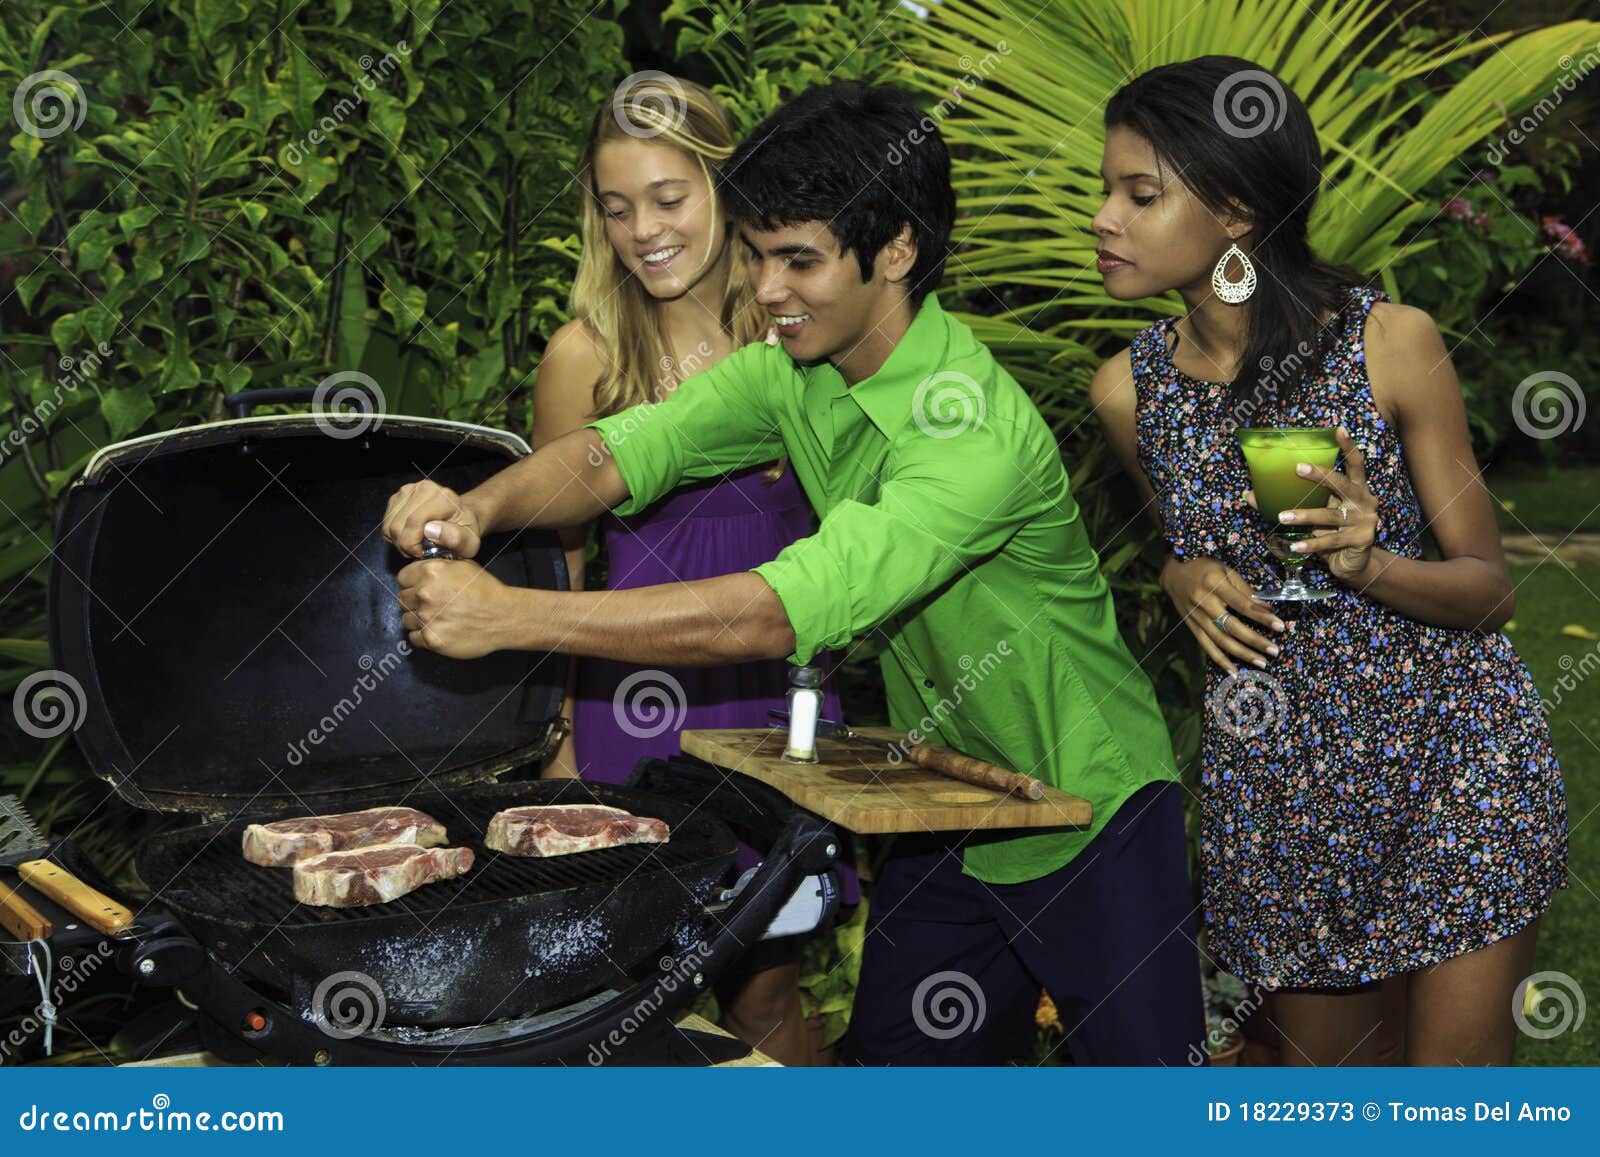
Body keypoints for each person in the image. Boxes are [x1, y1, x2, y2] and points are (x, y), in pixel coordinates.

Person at [383, 81, 1202, 1065]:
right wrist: (480, 506)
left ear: (895, 249)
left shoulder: (968, 429)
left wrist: (514, 616)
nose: (766, 291)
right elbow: (620, 451)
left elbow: (773, 615)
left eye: (799, 260)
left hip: (1091, 812)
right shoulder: (792, 368)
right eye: (760, 255)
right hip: (943, 799)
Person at [1087, 55, 1568, 1065]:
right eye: (1105, 190)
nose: (1103, 217)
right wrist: (1180, 577)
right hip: (1279, 790)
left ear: (1231, 212)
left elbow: (1491, 591)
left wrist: (1368, 562)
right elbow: (1193, 548)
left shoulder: (1388, 343)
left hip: (1452, 762)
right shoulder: (1125, 392)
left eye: (1138, 194)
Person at [531, 74, 845, 1067]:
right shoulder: (583, 357)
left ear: (729, 187)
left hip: (773, 696)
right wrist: (556, 743)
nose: (643, 230)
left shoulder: (802, 338)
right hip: (627, 708)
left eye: (670, 198)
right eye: (617, 207)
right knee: (623, 1003)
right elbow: (556, 562)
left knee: (765, 985)